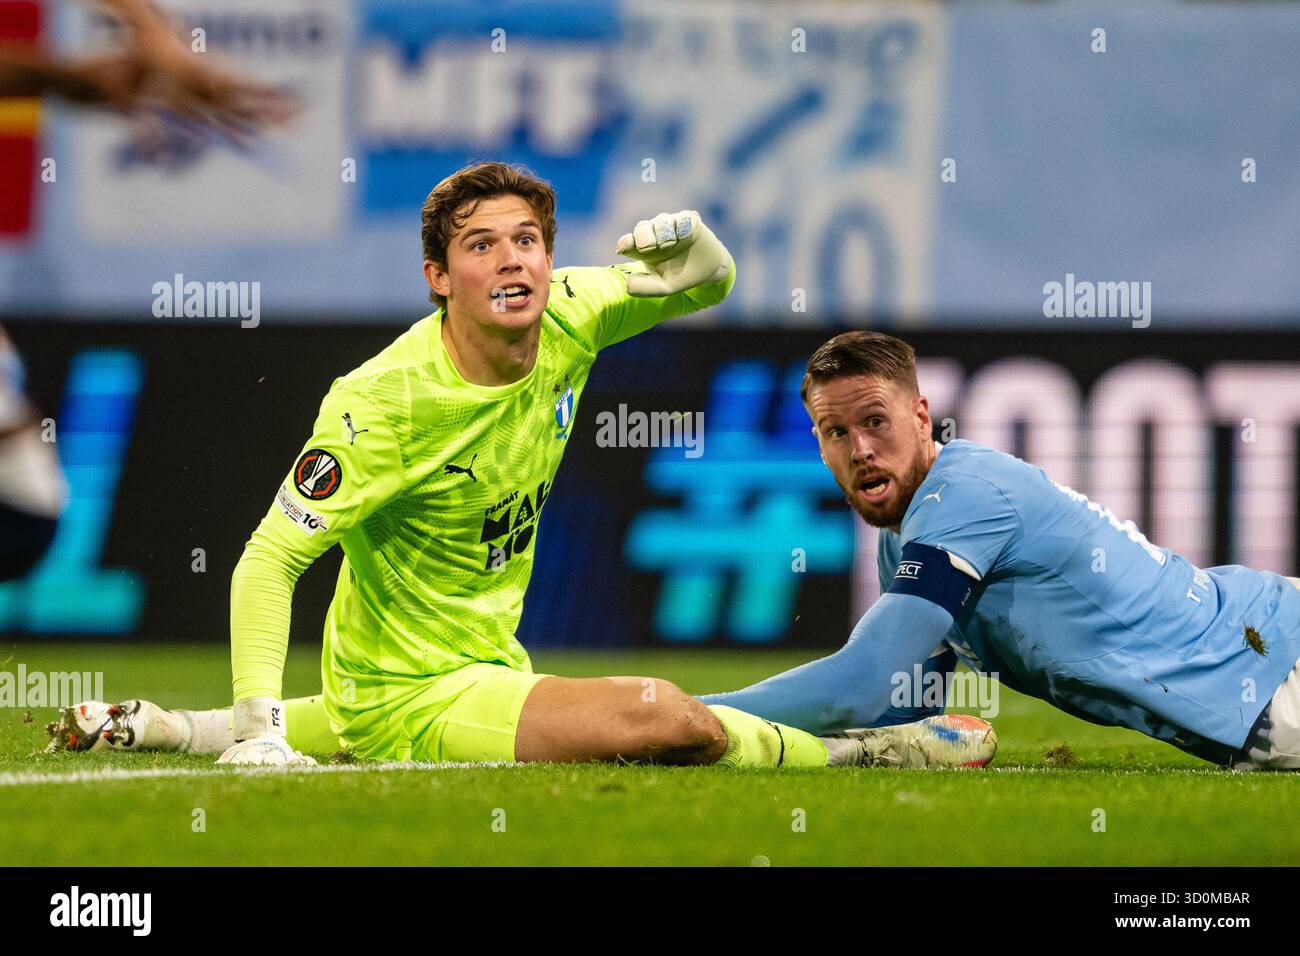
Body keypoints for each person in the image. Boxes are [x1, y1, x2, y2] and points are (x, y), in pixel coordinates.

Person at [48, 164, 996, 771]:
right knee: (667, 720)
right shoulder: (382, 403)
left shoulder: (574, 310)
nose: (512, 262)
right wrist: (261, 736)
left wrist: (700, 247)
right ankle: (874, 752)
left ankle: (164, 726)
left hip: (479, 664)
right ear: (438, 277)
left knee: (638, 712)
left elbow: (705, 284)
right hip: (408, 699)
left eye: (526, 241)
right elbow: (267, 560)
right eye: (480, 246)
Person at [701, 330, 1300, 771]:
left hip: (1281, 666)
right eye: (837, 432)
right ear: (820, 445)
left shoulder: (965, 496)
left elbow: (859, 681)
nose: (860, 449)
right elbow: (900, 706)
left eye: (876, 421)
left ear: (921, 418)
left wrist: (691, 714)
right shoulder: (904, 540)